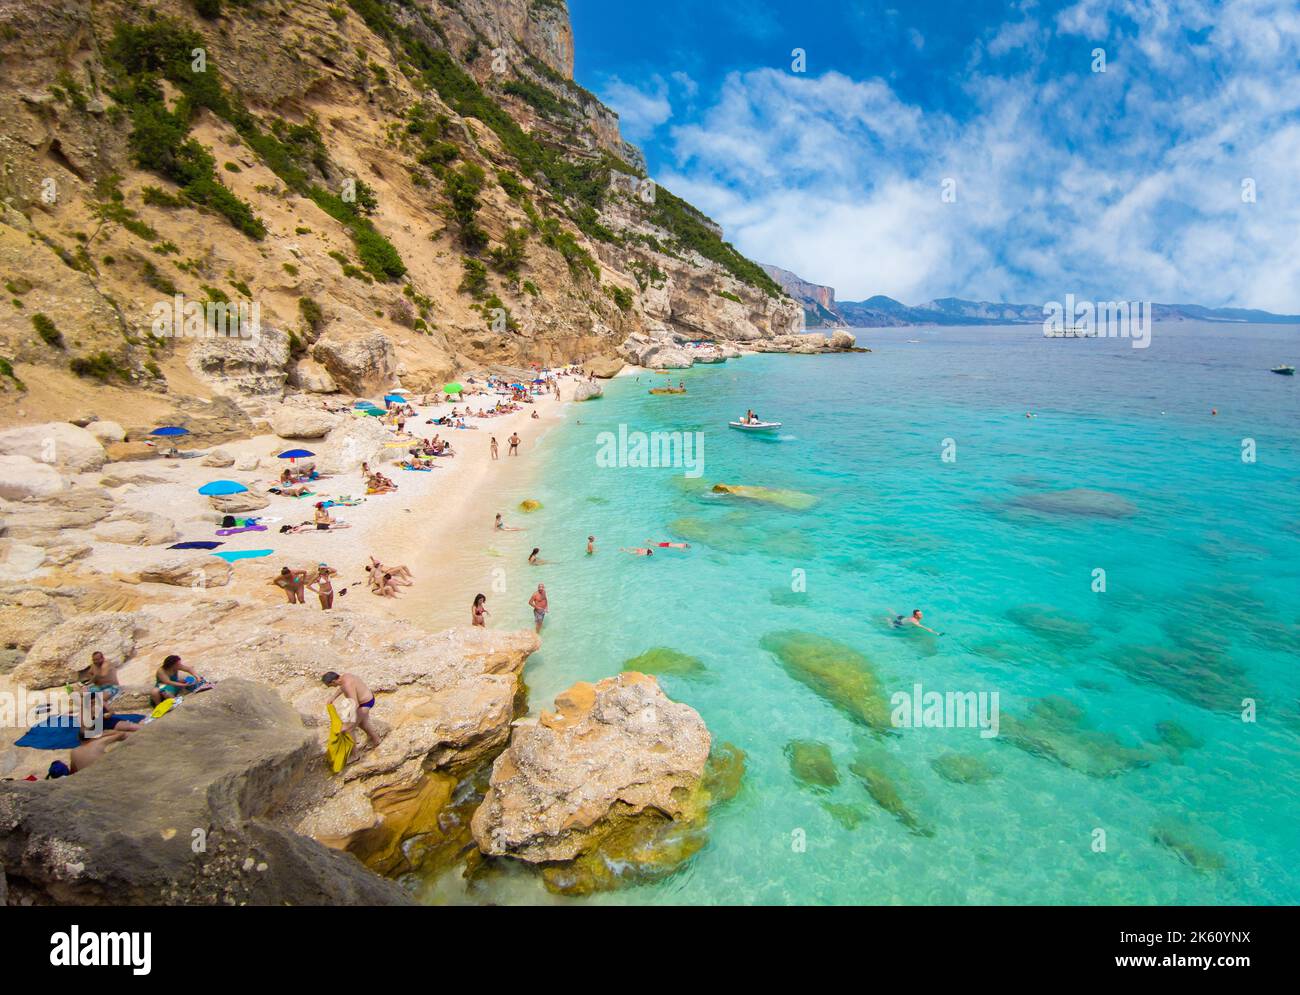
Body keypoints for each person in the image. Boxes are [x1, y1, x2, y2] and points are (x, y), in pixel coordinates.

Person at [322, 672, 382, 752]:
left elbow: (355, 704)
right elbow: (341, 688)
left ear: (333, 681)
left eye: (330, 685)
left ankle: (355, 755)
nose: (331, 687)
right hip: (368, 699)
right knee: (363, 723)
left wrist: (348, 721)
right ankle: (376, 740)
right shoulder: (345, 677)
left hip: (364, 704)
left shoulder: (347, 685)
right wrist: (333, 698)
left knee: (348, 729)